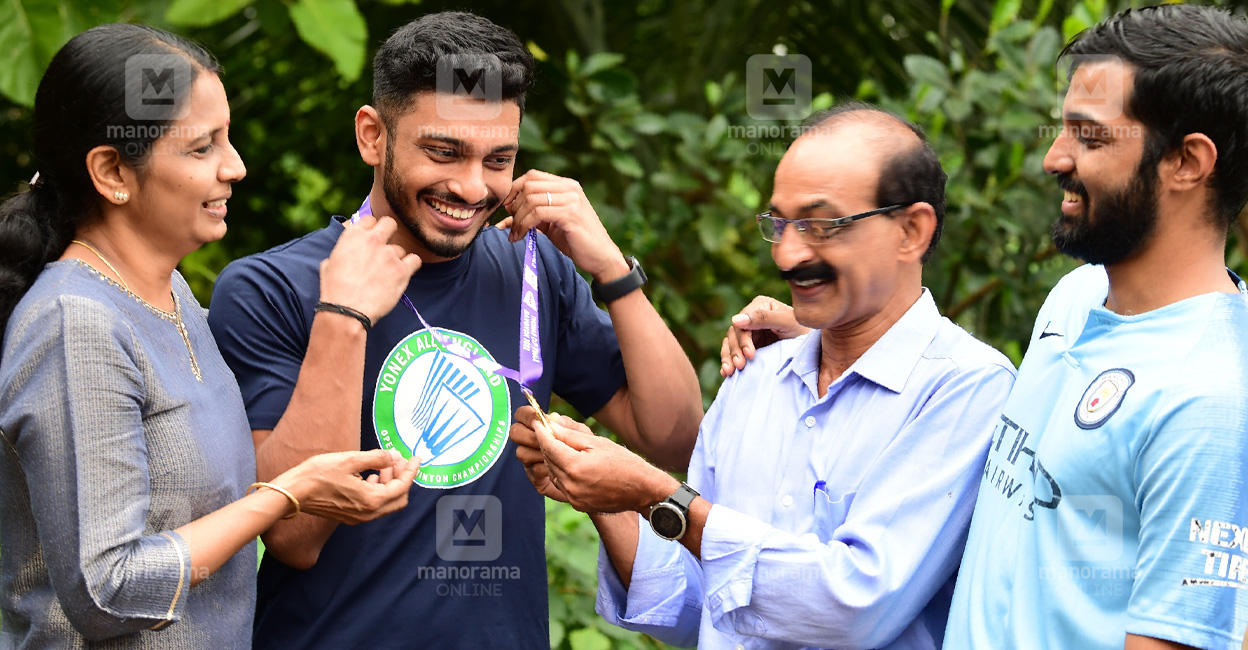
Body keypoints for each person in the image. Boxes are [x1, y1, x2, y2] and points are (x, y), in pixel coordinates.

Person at [723, 6, 1248, 648]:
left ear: (1187, 162)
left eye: (1090, 136)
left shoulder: (1213, 403)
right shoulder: (1077, 298)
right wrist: (831, 339)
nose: (1056, 157)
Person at [205, 11, 702, 649]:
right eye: (443, 152)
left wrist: (609, 267)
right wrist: (345, 318)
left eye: (499, 159)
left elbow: (672, 440)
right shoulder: (270, 287)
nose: (472, 187)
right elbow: (293, 537)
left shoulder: (532, 267)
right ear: (371, 136)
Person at [510, 104, 1017, 649]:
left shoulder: (967, 388)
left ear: (911, 231)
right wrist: (609, 501)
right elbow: (700, 606)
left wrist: (653, 490)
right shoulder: (755, 376)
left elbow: (851, 607)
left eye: (821, 225)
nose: (788, 253)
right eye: (778, 223)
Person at [0, 24, 423, 648]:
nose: (236, 167)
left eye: (228, 138)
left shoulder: (172, 296)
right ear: (112, 170)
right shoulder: (75, 322)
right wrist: (284, 496)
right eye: (202, 148)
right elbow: (106, 591)